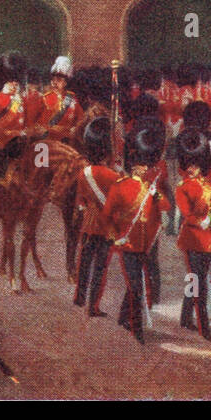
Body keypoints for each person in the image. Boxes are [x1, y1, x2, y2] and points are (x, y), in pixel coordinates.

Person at [107, 118, 171, 345]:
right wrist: (116, 236)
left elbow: (166, 206)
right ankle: (137, 329)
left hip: (147, 241)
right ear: (134, 166)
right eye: (142, 166)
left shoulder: (151, 185)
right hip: (128, 244)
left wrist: (156, 194)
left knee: (136, 284)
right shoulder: (120, 187)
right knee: (136, 286)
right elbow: (108, 216)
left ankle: (124, 317)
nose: (146, 169)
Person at [176, 128, 211, 340]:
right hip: (192, 239)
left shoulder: (210, 186)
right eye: (189, 165)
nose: (192, 168)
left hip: (207, 241)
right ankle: (204, 328)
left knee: (196, 279)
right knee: (199, 284)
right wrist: (203, 222)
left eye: (195, 164)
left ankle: (185, 318)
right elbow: (186, 215)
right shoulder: (182, 188)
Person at [73, 117, 121, 317]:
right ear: (106, 154)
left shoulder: (83, 173)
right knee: (100, 269)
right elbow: (118, 203)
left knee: (84, 263)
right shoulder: (114, 177)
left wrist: (87, 210)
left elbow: (80, 200)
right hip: (106, 227)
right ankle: (93, 306)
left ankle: (79, 297)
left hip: (88, 224)